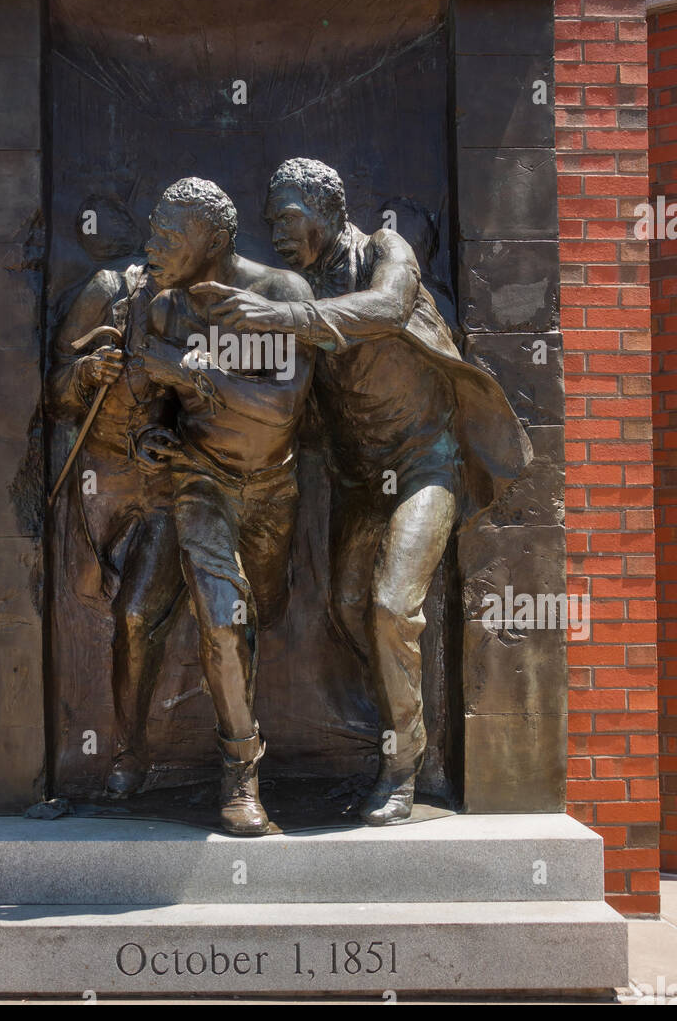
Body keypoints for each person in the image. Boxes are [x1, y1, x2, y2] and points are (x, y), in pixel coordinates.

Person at [202, 158, 532, 826]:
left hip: (426, 463)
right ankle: (394, 719)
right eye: (271, 222)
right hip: (358, 480)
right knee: (354, 612)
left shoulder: (384, 248)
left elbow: (383, 309)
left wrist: (285, 315)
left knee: (387, 607)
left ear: (327, 208)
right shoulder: (290, 284)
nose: (278, 231)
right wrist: (198, 368)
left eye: (288, 217)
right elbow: (267, 367)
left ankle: (402, 769)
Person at [140, 177, 314, 835]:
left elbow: (282, 405)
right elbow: (160, 407)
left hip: (272, 483)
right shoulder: (163, 310)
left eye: (168, 236)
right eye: (152, 231)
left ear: (212, 240)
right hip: (199, 479)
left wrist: (191, 370)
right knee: (221, 620)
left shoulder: (280, 295)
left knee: (259, 612)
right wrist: (156, 430)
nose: (153, 247)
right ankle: (241, 778)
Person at [47, 212, 184, 800]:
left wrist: (172, 437)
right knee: (84, 596)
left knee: (135, 614)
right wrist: (83, 374)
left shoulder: (203, 307)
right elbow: (50, 389)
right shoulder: (106, 292)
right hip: (99, 477)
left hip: (165, 484)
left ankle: (131, 753)